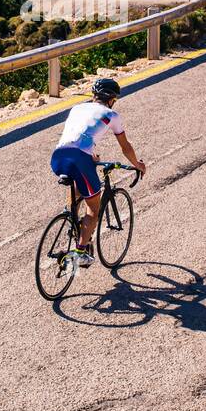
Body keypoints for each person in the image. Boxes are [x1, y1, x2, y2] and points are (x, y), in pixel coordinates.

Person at [49, 77, 146, 270]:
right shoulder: (112, 115)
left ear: (94, 95)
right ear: (111, 99)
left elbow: (78, 136)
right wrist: (138, 164)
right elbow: (125, 147)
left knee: (79, 191)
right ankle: (80, 252)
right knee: (93, 208)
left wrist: (91, 155)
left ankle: (71, 220)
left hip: (58, 156)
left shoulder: (76, 108)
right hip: (80, 159)